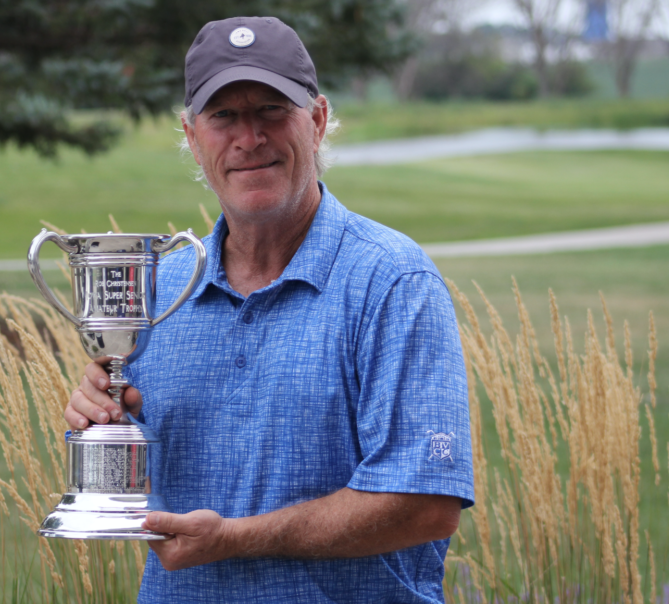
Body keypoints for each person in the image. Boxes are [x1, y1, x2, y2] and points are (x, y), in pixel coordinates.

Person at [64, 16, 474, 603]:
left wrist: (235, 539)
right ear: (191, 135)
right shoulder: (158, 290)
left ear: (318, 119)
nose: (249, 138)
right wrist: (103, 420)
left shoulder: (392, 282)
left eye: (272, 110)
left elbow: (425, 505)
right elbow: (139, 491)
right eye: (224, 116)